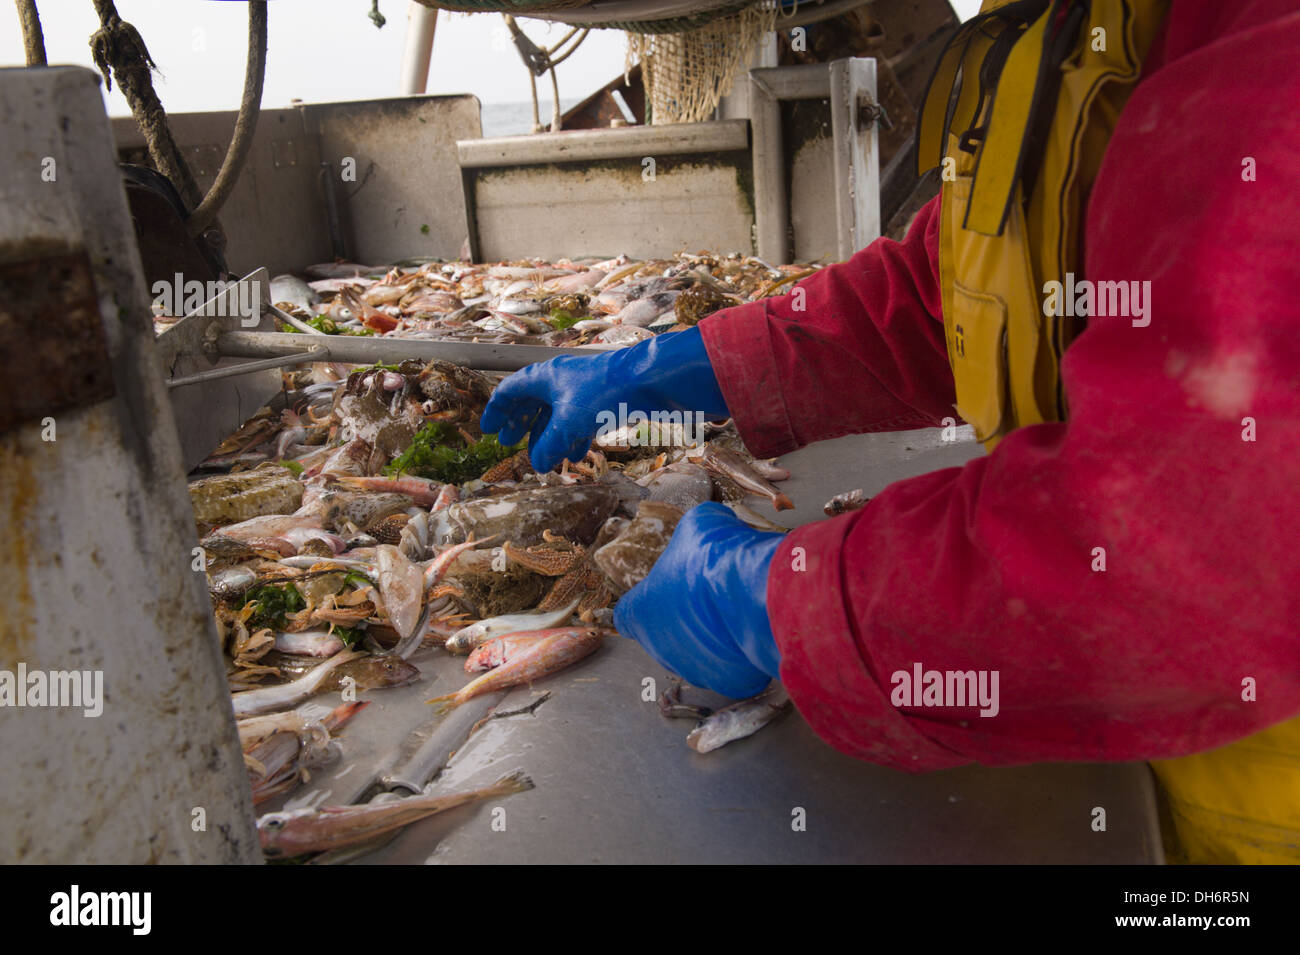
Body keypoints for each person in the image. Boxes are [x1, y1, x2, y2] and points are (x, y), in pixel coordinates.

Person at [481, 0, 1300, 863]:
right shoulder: (1084, 24)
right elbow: (953, 289)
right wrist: (692, 366)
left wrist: (790, 602)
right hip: (1171, 771)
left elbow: (1198, 545)